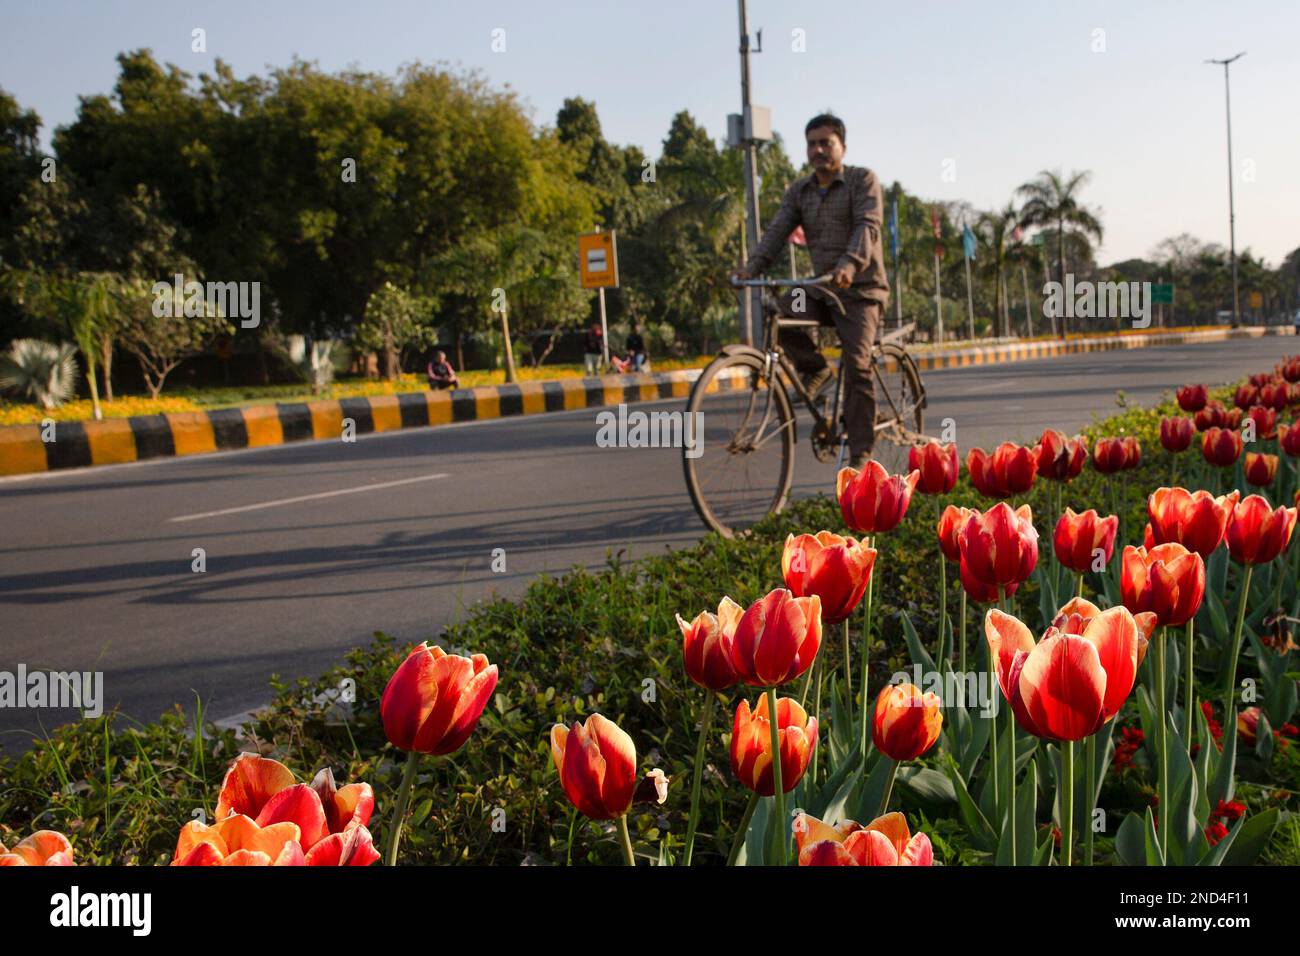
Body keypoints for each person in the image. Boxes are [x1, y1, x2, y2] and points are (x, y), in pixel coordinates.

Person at [730, 113, 890, 471]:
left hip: (861, 290)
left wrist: (849, 265)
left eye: (826, 143)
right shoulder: (799, 192)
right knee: (783, 312)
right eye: (812, 143)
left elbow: (869, 226)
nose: (818, 150)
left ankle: (862, 453)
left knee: (858, 364)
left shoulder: (862, 181)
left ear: (842, 147)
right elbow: (776, 232)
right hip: (820, 289)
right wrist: (750, 268)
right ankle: (815, 369)